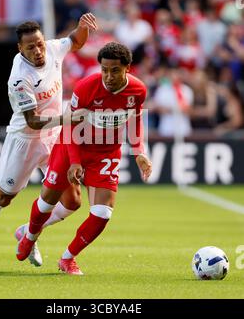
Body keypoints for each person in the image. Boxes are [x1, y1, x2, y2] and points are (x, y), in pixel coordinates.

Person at [0, 13, 98, 267]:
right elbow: (33, 121)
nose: (38, 50)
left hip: (54, 138)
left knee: (72, 201)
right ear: (20, 49)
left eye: (39, 44)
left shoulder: (51, 48)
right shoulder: (20, 78)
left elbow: (76, 41)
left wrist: (83, 27)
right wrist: (67, 119)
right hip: (26, 140)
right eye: (31, 47)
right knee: (4, 197)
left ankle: (28, 232)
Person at [16, 42, 152, 275]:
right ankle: (29, 235)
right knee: (48, 201)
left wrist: (139, 152)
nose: (108, 76)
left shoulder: (138, 90)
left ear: (127, 69)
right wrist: (76, 161)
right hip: (72, 146)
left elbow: (135, 118)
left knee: (103, 213)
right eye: (104, 70)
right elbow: (70, 125)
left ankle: (67, 258)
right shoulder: (86, 87)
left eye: (115, 71)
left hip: (106, 152)